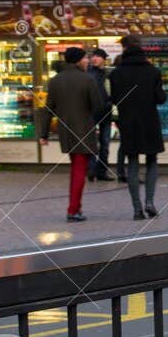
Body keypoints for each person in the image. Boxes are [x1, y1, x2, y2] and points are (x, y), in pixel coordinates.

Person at [36, 46, 106, 223]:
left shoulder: (55, 81)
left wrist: (43, 134)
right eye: (85, 58)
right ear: (77, 60)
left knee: (76, 167)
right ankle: (73, 210)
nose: (87, 61)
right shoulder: (87, 79)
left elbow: (48, 110)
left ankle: (76, 208)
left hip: (65, 131)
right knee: (79, 171)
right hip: (84, 130)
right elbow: (98, 106)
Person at [107, 36, 167, 219]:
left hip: (128, 122)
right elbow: (161, 98)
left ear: (124, 50)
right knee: (152, 160)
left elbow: (114, 99)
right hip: (149, 121)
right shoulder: (153, 71)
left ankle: (137, 208)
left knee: (132, 162)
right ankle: (150, 202)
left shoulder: (116, 74)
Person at [85, 48, 116, 180]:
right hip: (92, 113)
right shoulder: (88, 74)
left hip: (106, 112)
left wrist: (110, 102)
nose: (94, 59)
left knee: (105, 144)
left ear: (104, 59)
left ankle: (101, 171)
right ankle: (92, 170)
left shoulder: (108, 73)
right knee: (94, 143)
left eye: (98, 56)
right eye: (93, 56)